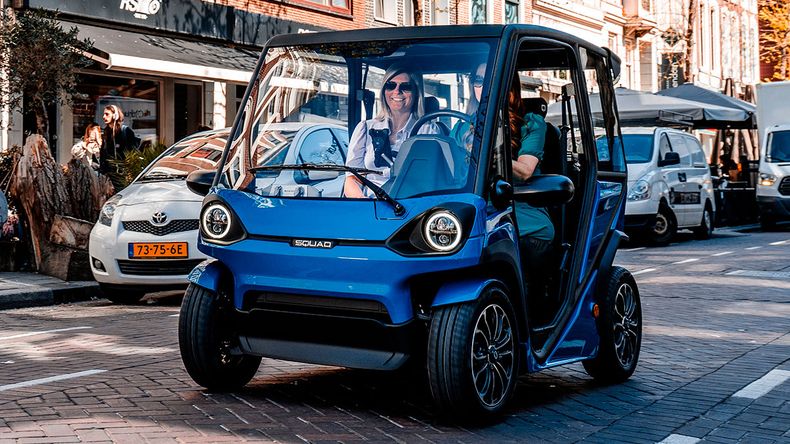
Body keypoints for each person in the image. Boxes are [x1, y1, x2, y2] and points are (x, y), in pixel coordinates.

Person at [507, 73, 556, 321]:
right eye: (477, 81)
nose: (480, 87)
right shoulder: (463, 126)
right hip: (481, 215)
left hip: (524, 217)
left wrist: (490, 155)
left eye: (489, 79)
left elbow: (525, 171)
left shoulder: (531, 124)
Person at [344, 64, 428, 198]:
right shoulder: (365, 128)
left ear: (416, 92)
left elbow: (430, 179)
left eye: (405, 87)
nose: (397, 91)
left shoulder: (427, 131)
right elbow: (352, 178)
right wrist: (362, 202)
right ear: (383, 90)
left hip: (410, 206)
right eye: (390, 85)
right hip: (369, 207)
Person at [99, 104, 141, 187]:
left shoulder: (125, 131)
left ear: (115, 116)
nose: (104, 117)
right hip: (109, 175)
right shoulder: (106, 132)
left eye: (107, 114)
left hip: (123, 174)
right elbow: (103, 153)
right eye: (104, 114)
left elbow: (132, 152)